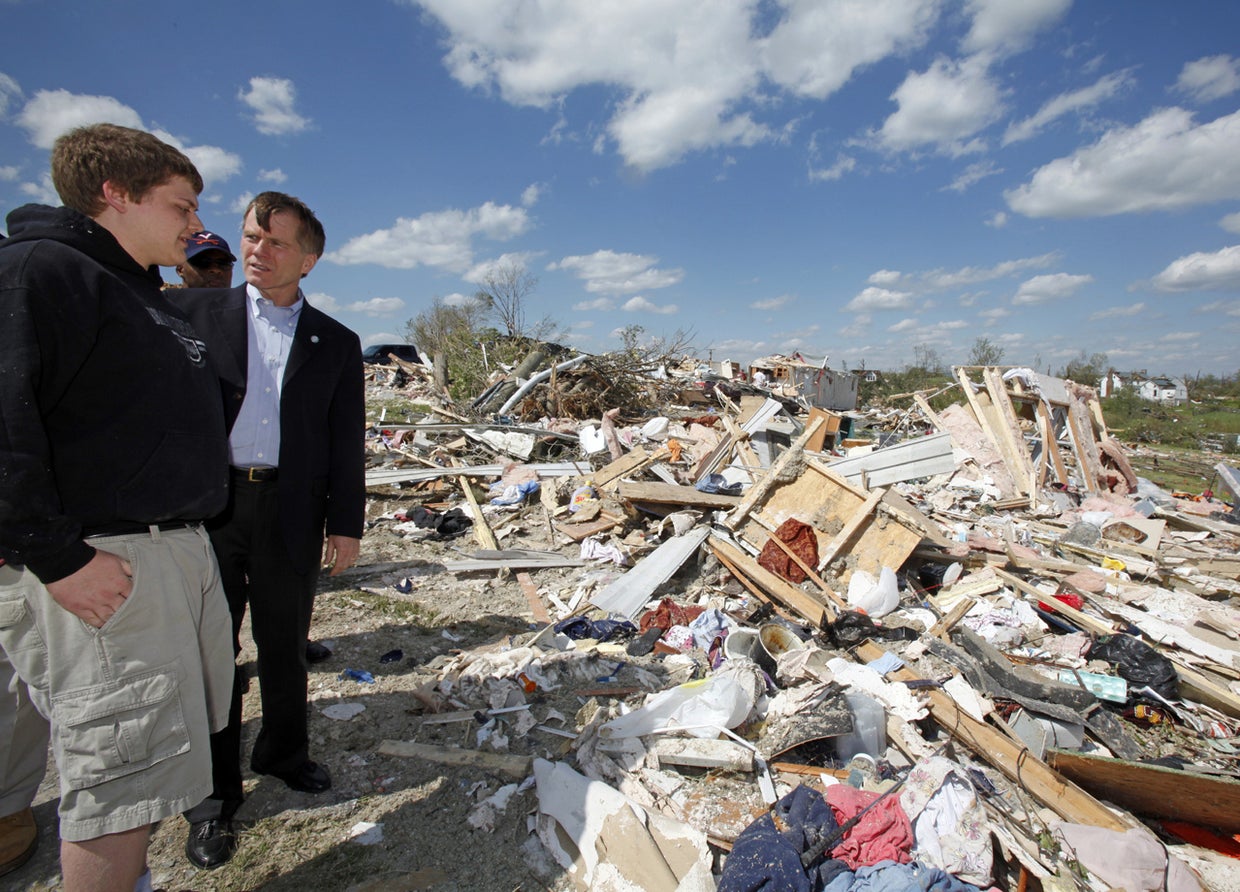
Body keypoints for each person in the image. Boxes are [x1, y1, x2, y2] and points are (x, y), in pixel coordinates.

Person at [0, 123, 233, 892]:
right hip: (111, 566)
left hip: (170, 553)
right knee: (119, 780)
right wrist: (58, 557)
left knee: (154, 756)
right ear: (115, 193)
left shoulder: (142, 293)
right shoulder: (41, 271)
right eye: (181, 204)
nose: (195, 224)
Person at [170, 191, 364, 869]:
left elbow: (346, 440)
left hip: (290, 509)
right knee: (210, 654)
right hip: (209, 511)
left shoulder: (335, 342)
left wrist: (346, 525)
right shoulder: (188, 313)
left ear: (308, 259)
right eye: (254, 236)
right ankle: (213, 798)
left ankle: (283, 753)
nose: (257, 250)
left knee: (283, 644)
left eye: (277, 242)